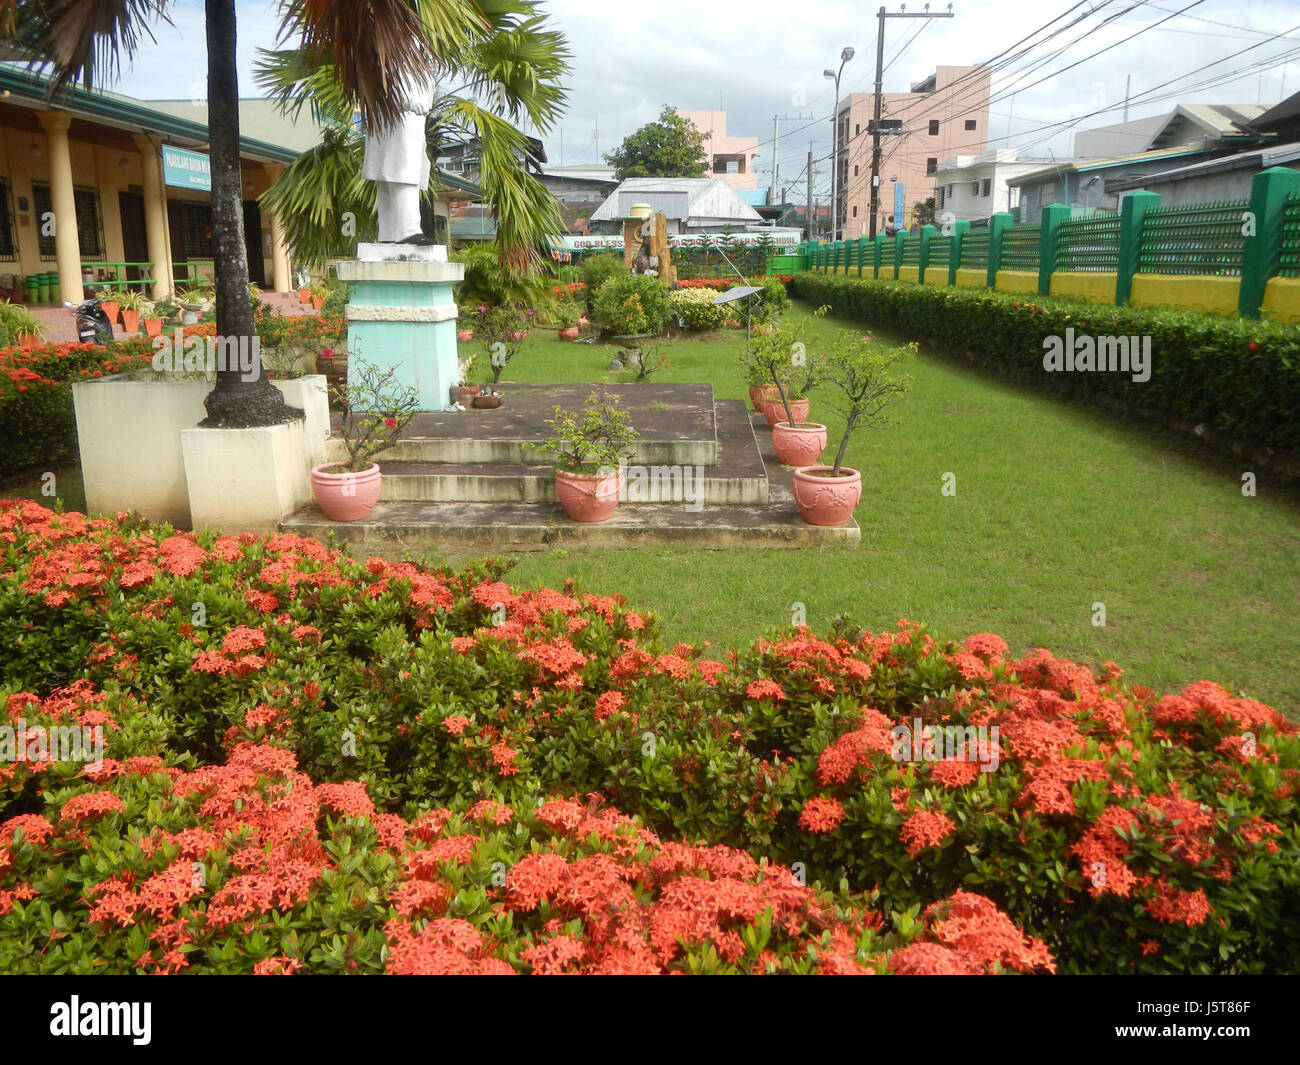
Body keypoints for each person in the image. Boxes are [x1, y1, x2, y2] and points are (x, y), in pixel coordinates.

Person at [361, 69, 438, 245]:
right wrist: (412, 101)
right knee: (401, 174)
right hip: (398, 118)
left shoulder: (416, 59)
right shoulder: (390, 52)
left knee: (398, 174)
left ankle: (390, 233)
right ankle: (407, 230)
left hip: (409, 120)